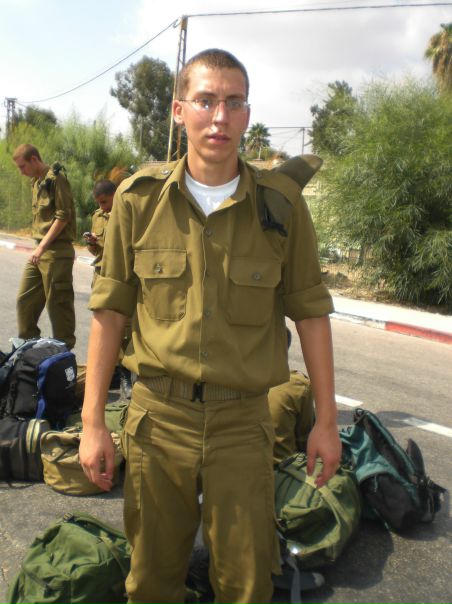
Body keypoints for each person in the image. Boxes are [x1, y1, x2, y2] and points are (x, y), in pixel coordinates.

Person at [80, 48, 341, 604]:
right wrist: (92, 421)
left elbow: (311, 314)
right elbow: (110, 312)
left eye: (233, 102)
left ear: (247, 115)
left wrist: (326, 421)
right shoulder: (138, 201)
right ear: (179, 111)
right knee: (151, 583)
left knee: (246, 587)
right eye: (205, 101)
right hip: (158, 420)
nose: (219, 116)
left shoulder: (281, 207)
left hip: (243, 425)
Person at [13, 144, 76, 349]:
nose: (21, 172)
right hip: (40, 248)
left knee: (58, 305)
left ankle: (63, 351)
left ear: (34, 159)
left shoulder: (56, 179)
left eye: (22, 167)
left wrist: (42, 247)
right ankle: (28, 348)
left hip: (56, 251)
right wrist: (39, 248)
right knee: (25, 300)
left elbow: (63, 216)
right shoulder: (37, 182)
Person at [84, 179, 132, 398]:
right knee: (103, 328)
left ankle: (127, 373)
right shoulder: (97, 216)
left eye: (104, 202)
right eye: (99, 203)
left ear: (115, 195)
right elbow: (97, 252)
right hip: (102, 275)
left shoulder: (129, 211)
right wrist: (92, 244)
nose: (102, 207)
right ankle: (114, 373)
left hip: (123, 276)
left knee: (127, 330)